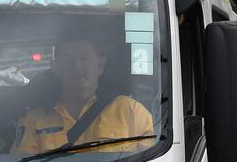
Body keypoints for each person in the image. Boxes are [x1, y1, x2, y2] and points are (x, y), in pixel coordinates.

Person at [12, 37, 152, 154]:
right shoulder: (33, 121)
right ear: (56, 68)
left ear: (100, 66)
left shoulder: (129, 110)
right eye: (68, 60)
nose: (77, 67)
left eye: (84, 59)